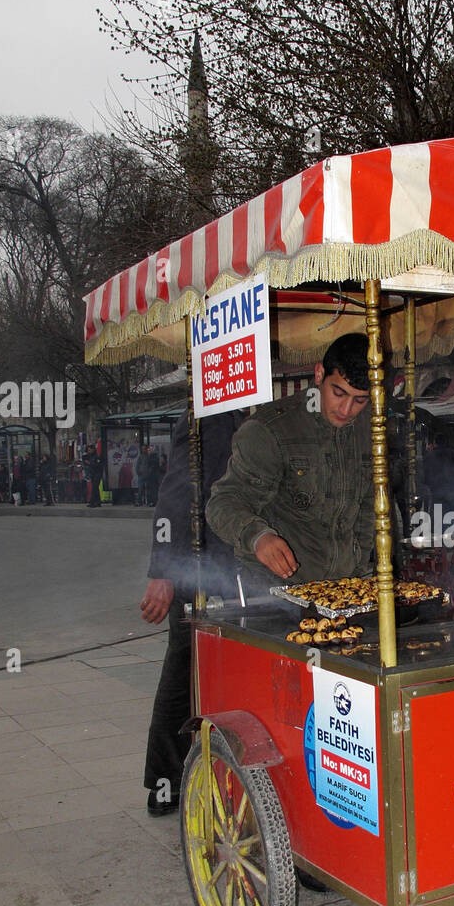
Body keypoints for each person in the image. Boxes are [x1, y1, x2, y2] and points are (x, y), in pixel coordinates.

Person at [206, 334, 374, 589]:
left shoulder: (371, 429)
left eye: (360, 400)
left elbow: (367, 510)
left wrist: (360, 574)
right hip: (274, 589)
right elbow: (222, 503)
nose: (346, 409)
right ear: (319, 374)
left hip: (343, 588)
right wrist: (258, 536)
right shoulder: (271, 430)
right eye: (338, 393)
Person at [141, 409, 245, 816]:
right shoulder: (209, 417)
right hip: (198, 569)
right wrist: (163, 572)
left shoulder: (242, 415)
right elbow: (176, 494)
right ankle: (164, 781)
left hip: (232, 566)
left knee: (210, 671)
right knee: (183, 669)